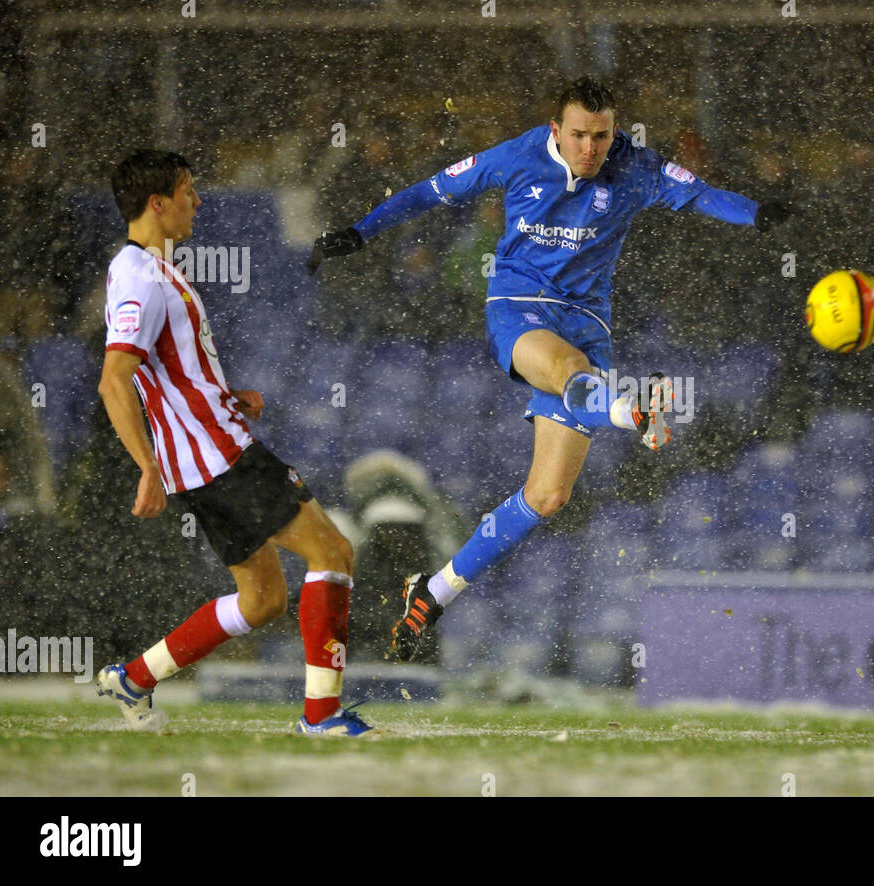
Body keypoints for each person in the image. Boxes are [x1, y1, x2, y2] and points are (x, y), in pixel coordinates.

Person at [308, 77, 790, 661]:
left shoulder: (636, 167)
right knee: (567, 370)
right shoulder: (517, 155)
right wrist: (362, 231)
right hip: (519, 308)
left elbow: (704, 194)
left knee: (548, 495)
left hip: (589, 323)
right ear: (556, 131)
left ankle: (431, 593)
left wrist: (761, 215)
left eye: (602, 137)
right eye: (580, 136)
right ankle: (628, 407)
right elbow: (431, 192)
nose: (591, 149)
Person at [95, 150, 368, 735]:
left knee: (263, 599)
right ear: (157, 203)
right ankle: (321, 717)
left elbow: (164, 371)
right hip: (220, 456)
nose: (198, 200)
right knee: (333, 554)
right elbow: (114, 378)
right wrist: (146, 466)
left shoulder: (146, 268)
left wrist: (224, 392)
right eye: (188, 190)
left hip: (206, 454)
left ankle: (134, 677)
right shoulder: (142, 276)